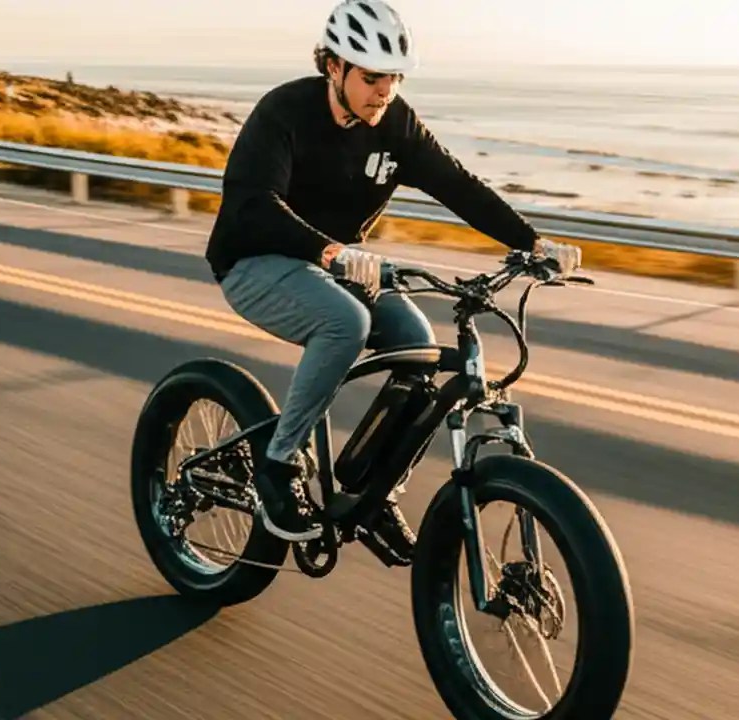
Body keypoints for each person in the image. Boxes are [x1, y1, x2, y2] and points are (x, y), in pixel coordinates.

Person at [204, 0, 582, 565]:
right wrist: (330, 251)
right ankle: (279, 466)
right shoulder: (284, 112)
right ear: (334, 67)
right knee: (345, 322)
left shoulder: (396, 124)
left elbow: (458, 185)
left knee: (417, 343)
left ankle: (373, 490)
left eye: (394, 77)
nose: (385, 90)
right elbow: (255, 205)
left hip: (333, 265)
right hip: (256, 260)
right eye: (372, 76)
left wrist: (529, 243)